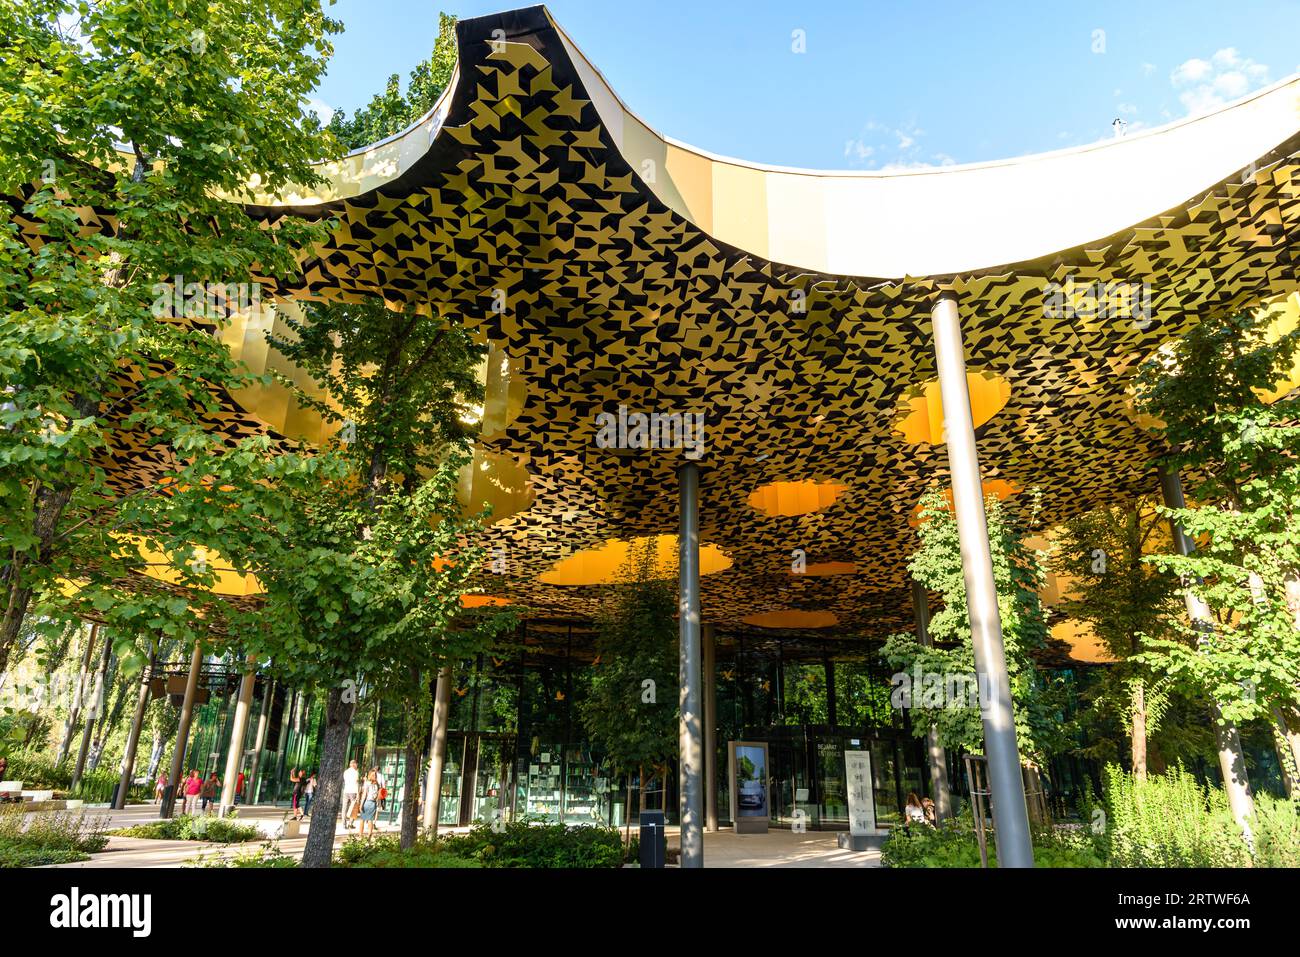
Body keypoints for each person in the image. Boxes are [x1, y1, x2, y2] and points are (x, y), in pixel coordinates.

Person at [357, 768, 380, 838]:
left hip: (366, 803)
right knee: (370, 820)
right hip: (373, 804)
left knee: (362, 819)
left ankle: (360, 835)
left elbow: (364, 795)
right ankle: (369, 836)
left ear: (369, 775)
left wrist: (361, 805)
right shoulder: (377, 785)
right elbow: (377, 796)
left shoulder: (367, 783)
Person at [341, 759, 360, 829]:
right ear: (354, 764)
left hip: (346, 791)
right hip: (353, 791)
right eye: (356, 764)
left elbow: (345, 781)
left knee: (344, 807)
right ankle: (350, 823)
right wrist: (358, 793)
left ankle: (344, 823)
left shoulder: (345, 772)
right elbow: (357, 783)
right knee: (354, 807)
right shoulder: (356, 772)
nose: (357, 765)